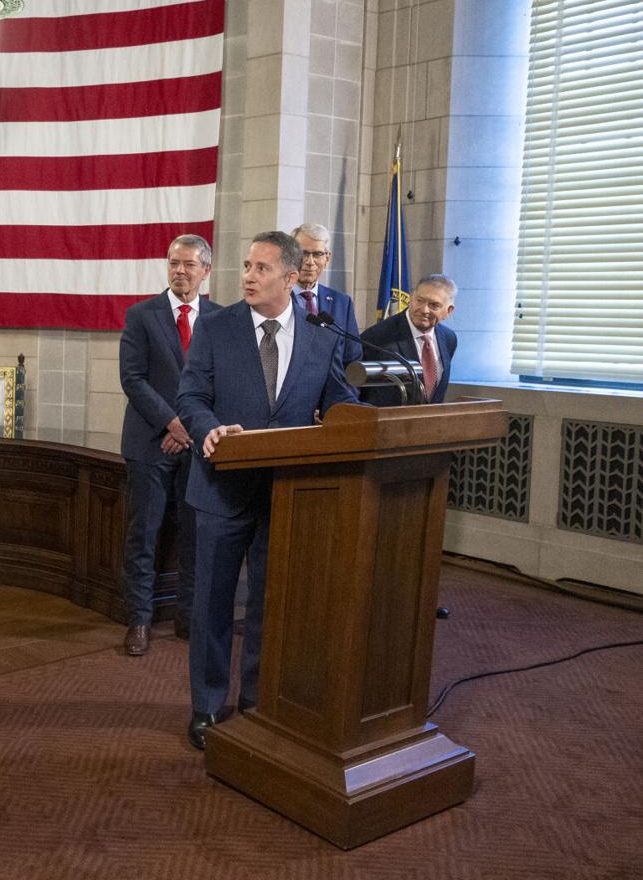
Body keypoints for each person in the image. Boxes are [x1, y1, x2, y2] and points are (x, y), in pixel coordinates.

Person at [176, 230, 357, 750]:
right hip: (220, 489)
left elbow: (341, 405)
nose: (249, 276)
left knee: (269, 605)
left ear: (292, 277)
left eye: (261, 268)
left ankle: (257, 701)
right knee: (212, 606)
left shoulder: (323, 335)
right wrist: (207, 426)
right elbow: (191, 393)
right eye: (247, 266)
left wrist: (359, 427)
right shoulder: (217, 325)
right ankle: (207, 706)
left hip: (288, 494)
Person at [119, 235, 221, 654]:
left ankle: (188, 618)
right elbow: (133, 379)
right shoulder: (142, 315)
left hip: (198, 447)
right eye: (174, 263)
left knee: (195, 537)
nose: (180, 270)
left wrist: (192, 430)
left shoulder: (219, 319)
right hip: (150, 443)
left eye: (189, 264)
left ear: (206, 271)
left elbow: (221, 382)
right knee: (143, 535)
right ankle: (139, 621)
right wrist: (171, 423)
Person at [360, 274, 459, 405]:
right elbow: (359, 390)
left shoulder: (449, 338)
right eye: (419, 300)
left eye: (434, 305)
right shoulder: (377, 337)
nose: (424, 309)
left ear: (449, 311)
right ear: (411, 298)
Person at [291, 223, 361, 366]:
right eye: (303, 253)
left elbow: (353, 357)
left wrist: (348, 389)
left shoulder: (342, 303)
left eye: (317, 254)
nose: (310, 262)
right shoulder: (276, 299)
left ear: (327, 258)